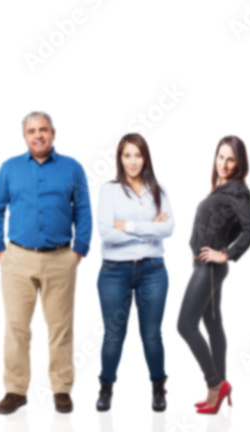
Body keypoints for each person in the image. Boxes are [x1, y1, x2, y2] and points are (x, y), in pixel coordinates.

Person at [0, 111, 92, 415]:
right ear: (25, 136)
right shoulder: (9, 168)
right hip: (17, 258)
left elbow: (83, 211)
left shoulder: (72, 169)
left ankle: (61, 389)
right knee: (16, 327)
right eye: (32, 130)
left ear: (53, 133)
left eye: (43, 129)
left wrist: (78, 252)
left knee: (61, 327)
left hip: (61, 258)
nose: (38, 135)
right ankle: (15, 390)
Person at [179, 135, 250, 415]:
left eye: (230, 159)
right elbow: (237, 225)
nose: (223, 164)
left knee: (185, 326)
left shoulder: (236, 191)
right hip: (204, 267)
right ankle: (219, 389)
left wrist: (224, 253)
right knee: (212, 323)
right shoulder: (223, 189)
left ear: (239, 163)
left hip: (210, 268)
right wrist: (224, 242)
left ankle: (215, 384)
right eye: (220, 157)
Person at [94, 133, 174, 412]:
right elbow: (105, 232)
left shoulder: (158, 190)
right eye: (127, 155)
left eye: (137, 155)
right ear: (120, 158)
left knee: (152, 334)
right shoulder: (109, 190)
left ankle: (158, 388)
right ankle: (106, 387)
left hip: (153, 270)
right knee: (114, 334)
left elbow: (168, 229)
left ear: (145, 158)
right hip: (114, 271)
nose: (132, 161)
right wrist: (147, 228)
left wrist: (126, 226)